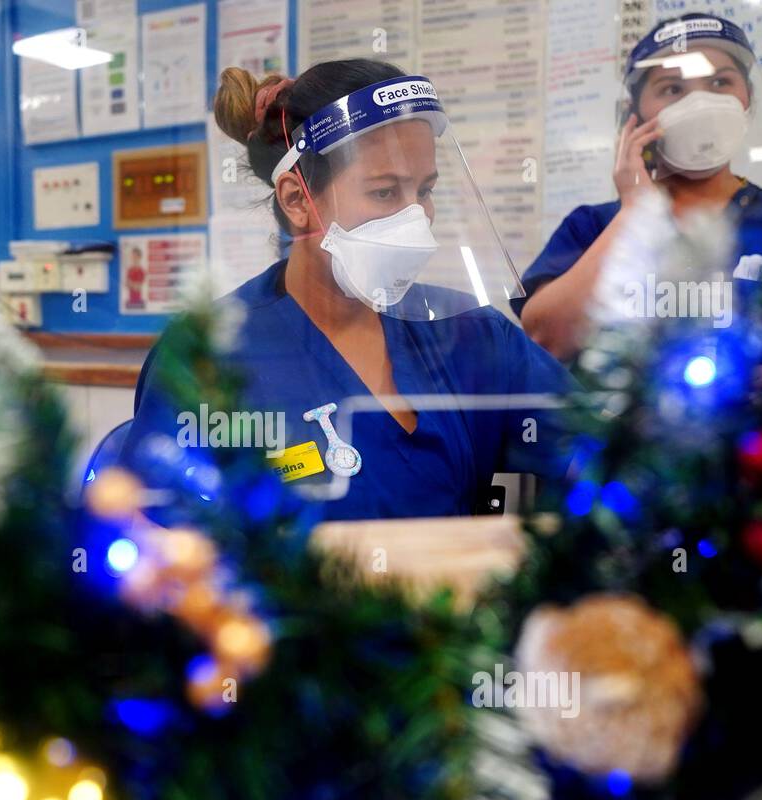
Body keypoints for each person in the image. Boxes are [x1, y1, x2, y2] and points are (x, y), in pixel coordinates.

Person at [119, 59, 575, 521]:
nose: (417, 218)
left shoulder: (473, 335)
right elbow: (151, 544)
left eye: (425, 190)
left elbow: (600, 448)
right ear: (298, 200)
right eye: (384, 192)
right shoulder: (210, 357)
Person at [517, 14, 762, 361]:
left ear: (748, 98)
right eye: (672, 89)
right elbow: (545, 338)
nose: (700, 105)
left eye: (721, 83)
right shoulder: (593, 225)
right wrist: (635, 212)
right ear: (635, 115)